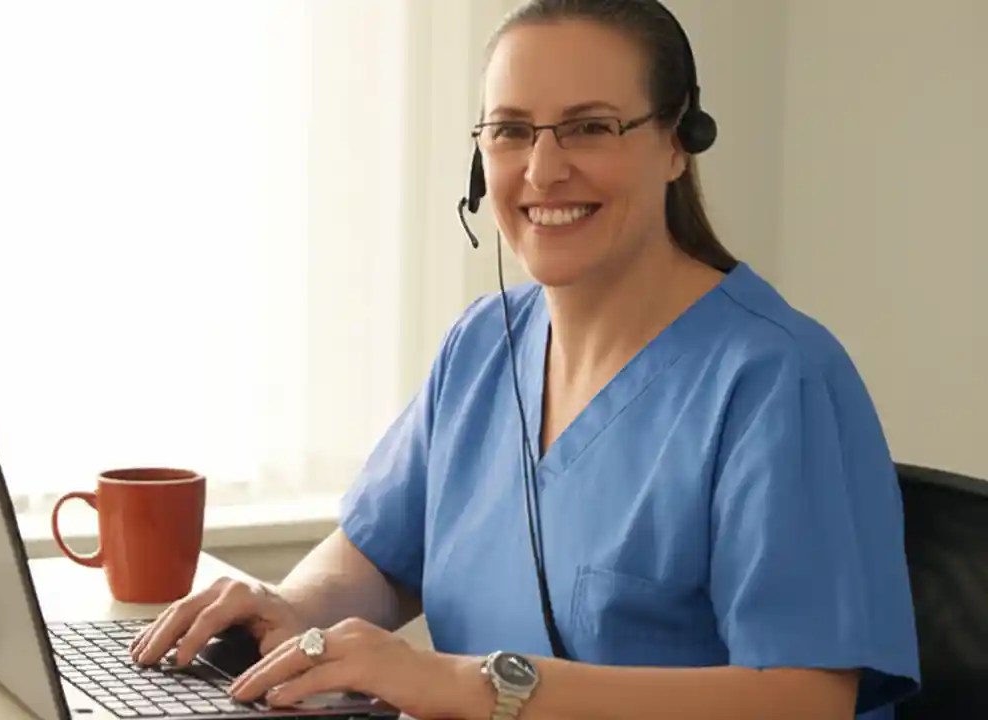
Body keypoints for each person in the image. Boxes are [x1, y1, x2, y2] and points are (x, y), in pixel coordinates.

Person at [130, 1, 922, 718]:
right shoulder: (482, 345)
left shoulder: (778, 380)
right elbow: (376, 556)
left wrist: (466, 683)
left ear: (679, 144)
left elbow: (804, 702)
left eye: (590, 127)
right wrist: (291, 612)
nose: (543, 171)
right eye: (511, 130)